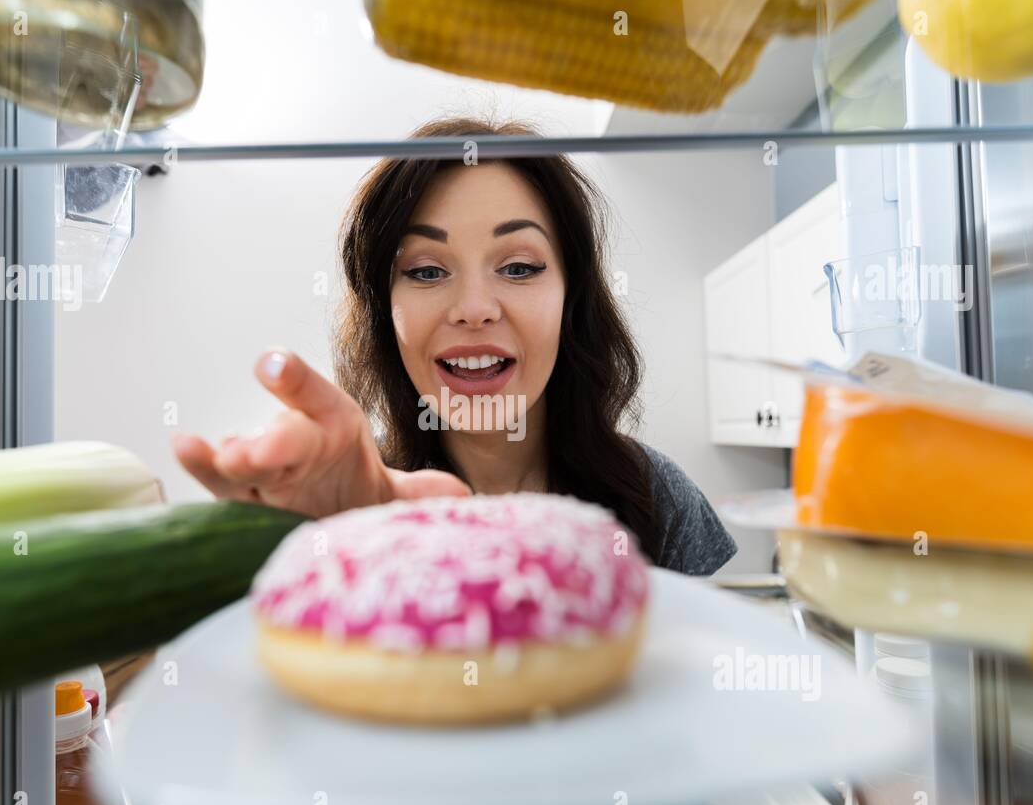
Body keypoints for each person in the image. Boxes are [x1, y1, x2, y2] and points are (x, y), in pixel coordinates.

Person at [171, 116, 736, 576]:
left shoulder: (657, 498)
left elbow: (715, 702)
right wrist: (290, 555)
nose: (473, 307)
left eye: (518, 267)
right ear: (383, 310)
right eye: (425, 271)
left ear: (572, 298)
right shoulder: (349, 505)